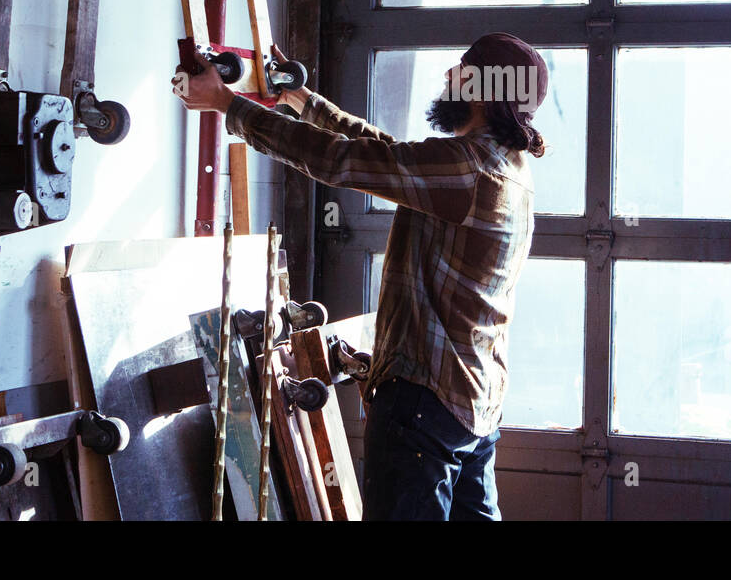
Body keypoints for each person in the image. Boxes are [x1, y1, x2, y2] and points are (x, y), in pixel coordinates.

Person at [173, 33, 549, 520]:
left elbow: (342, 161)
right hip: (474, 402)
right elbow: (387, 153)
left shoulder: (467, 169)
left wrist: (228, 104)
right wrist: (304, 101)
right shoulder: (505, 166)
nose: (448, 77)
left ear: (482, 88)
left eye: (459, 69)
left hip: (424, 404)